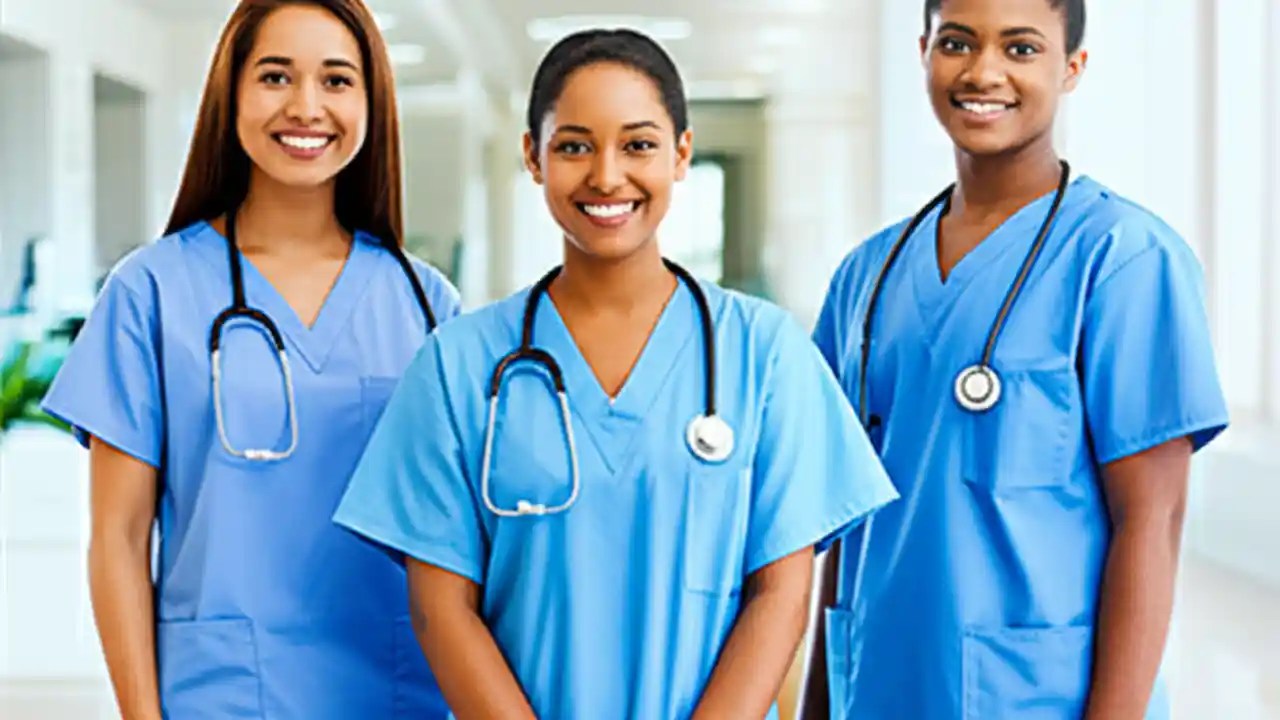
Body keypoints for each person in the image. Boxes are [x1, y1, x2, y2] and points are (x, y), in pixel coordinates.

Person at [331, 28, 898, 720]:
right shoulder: (458, 365)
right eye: (574, 146)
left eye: (638, 145)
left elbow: (780, 593)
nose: (606, 176)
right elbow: (441, 608)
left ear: (681, 153)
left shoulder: (765, 353)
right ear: (533, 156)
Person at [801, 1, 1229, 718]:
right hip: (877, 683)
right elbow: (846, 522)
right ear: (923, 51)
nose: (984, 72)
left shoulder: (1121, 258)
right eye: (957, 43)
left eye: (1021, 48)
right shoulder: (866, 276)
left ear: (1072, 68)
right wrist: (819, 706)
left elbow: (1152, 522)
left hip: (1035, 697)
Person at [40, 1, 460, 717]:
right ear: (230, 94)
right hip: (223, 696)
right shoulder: (151, 291)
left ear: (371, 103)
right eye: (275, 76)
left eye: (336, 80)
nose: (306, 107)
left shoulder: (425, 303)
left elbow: (459, 543)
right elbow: (118, 539)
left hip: (394, 694)